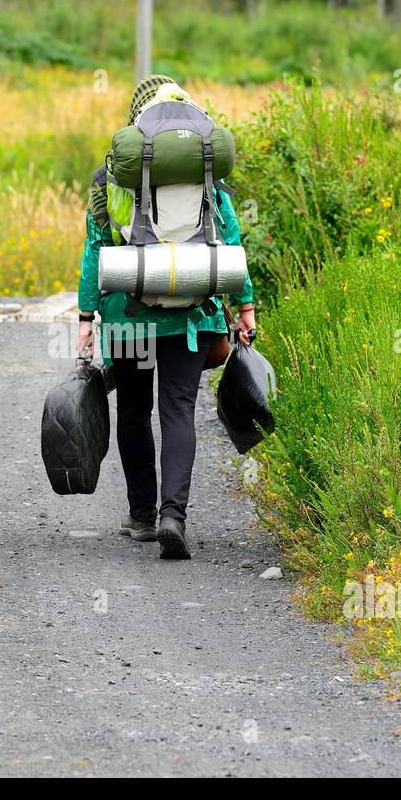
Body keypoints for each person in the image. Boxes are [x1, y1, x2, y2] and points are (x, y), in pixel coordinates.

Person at [75, 74, 256, 561]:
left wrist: (87, 314)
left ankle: (141, 515)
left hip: (130, 313)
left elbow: (96, 247)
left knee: (133, 410)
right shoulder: (204, 173)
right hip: (190, 314)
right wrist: (245, 306)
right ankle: (173, 516)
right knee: (178, 411)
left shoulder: (112, 174)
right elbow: (229, 241)